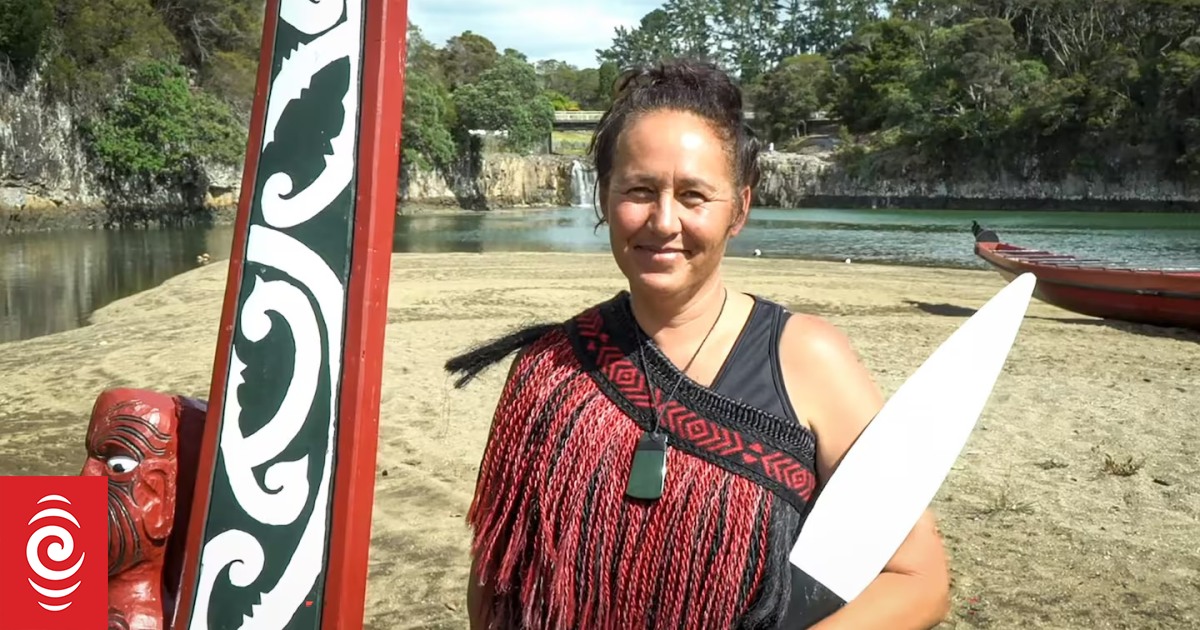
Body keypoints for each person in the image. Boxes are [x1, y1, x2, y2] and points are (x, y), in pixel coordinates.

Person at [445, 58, 951, 629]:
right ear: (604, 197)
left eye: (693, 195)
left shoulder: (809, 359)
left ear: (740, 209)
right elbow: (496, 574)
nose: (663, 221)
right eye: (639, 190)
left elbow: (918, 579)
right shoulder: (549, 368)